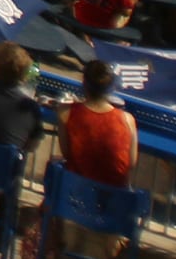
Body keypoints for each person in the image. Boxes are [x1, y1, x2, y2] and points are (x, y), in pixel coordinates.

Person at [58, 57, 137, 188]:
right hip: (112, 201)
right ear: (111, 87)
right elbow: (131, 162)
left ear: (84, 83)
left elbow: (67, 153)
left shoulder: (65, 113)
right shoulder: (128, 120)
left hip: (75, 195)